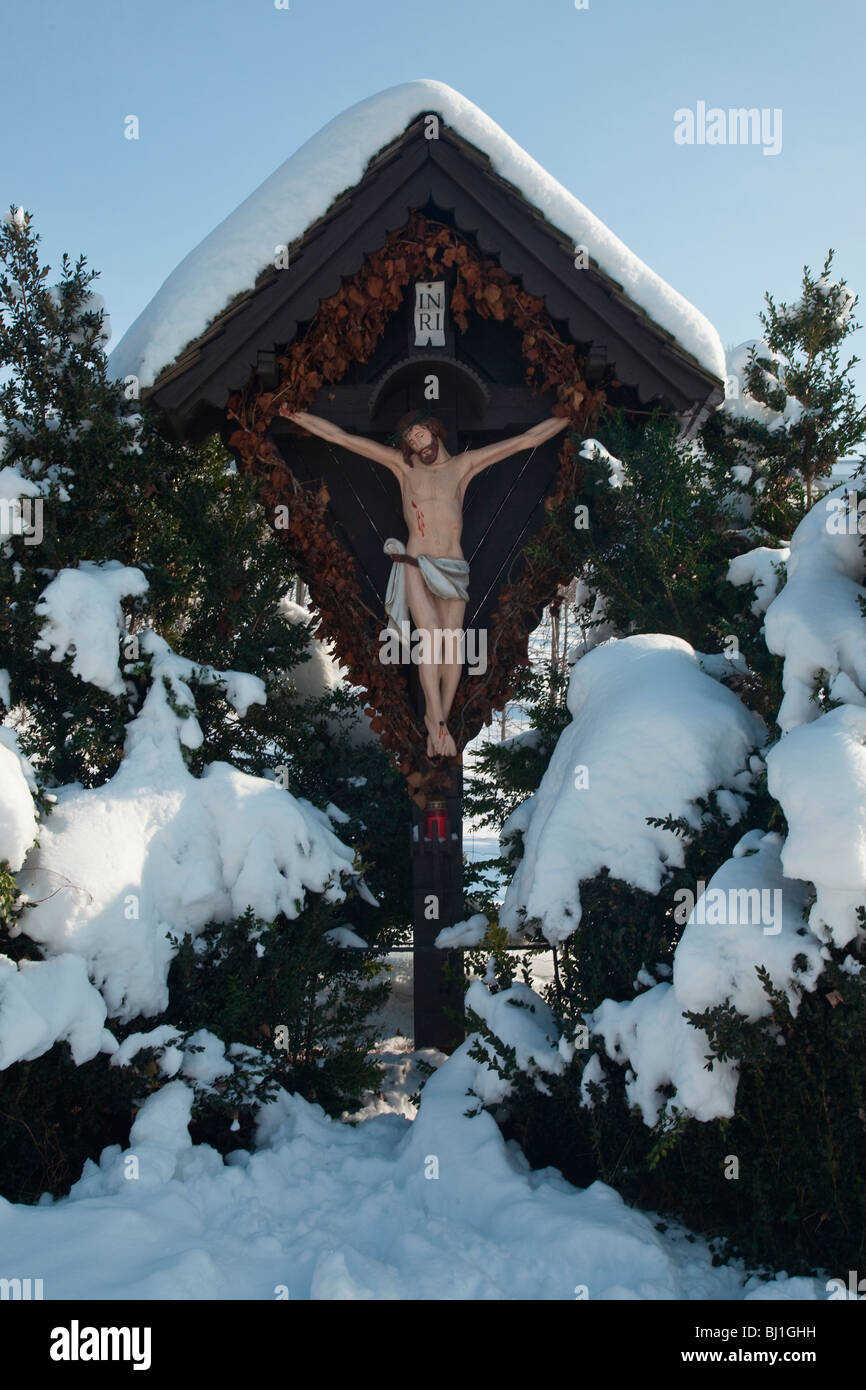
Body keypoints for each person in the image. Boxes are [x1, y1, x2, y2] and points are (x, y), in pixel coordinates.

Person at [278, 403, 569, 757]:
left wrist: (572, 416)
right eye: (411, 441)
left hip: (453, 565)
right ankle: (435, 721)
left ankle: (441, 721)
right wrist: (297, 417)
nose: (418, 444)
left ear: (434, 430)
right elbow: (342, 438)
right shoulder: (404, 467)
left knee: (452, 642)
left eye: (420, 434)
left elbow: (528, 439)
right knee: (430, 638)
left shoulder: (463, 465)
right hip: (415, 562)